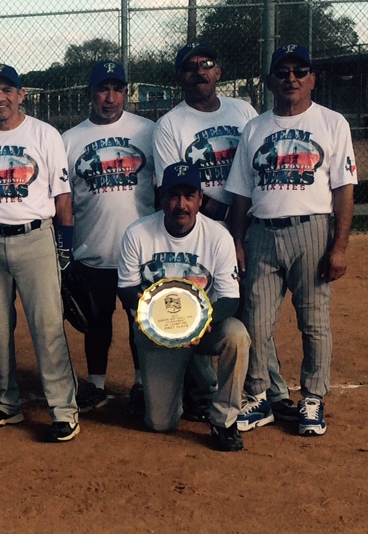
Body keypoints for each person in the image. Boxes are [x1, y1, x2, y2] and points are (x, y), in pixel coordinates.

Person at [154, 41, 294, 423]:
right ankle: (204, 393)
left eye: (207, 64)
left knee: (253, 311)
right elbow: (176, 188)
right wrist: (229, 213)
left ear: (219, 72)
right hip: (198, 231)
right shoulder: (171, 125)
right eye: (190, 67)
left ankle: (269, 389)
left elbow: (254, 169)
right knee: (195, 303)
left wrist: (239, 221)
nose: (199, 71)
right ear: (180, 77)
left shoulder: (242, 111)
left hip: (245, 227)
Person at [225, 44, 357, 437]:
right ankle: (259, 396)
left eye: (300, 71)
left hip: (311, 229)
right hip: (262, 229)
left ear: (313, 78)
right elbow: (241, 193)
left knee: (313, 320)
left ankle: (313, 399)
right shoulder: (255, 127)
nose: (292, 79)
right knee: (255, 322)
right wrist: (238, 240)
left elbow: (344, 190)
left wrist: (339, 246)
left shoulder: (332, 123)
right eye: (283, 73)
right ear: (270, 82)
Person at [0, 63, 80, 442]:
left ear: (21, 94)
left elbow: (62, 196)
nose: (0, 97)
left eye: (7, 89)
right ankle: (6, 403)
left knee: (47, 327)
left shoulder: (44, 133)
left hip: (35, 236)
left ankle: (63, 409)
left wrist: (65, 247)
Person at [118, 162, 249, 452]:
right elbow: (126, 287)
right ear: (161, 197)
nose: (181, 204)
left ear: (200, 199)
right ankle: (189, 385)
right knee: (160, 423)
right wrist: (150, 318)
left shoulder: (217, 236)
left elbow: (230, 297)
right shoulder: (138, 233)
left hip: (205, 329)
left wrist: (200, 326)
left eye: (189, 196)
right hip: (157, 333)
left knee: (237, 335)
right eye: (173, 196)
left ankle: (224, 421)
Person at [61, 61, 155, 414]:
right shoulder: (70, 139)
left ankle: (142, 383)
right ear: (91, 94)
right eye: (103, 89)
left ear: (126, 93)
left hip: (141, 249)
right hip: (92, 247)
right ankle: (96, 383)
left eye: (117, 89)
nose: (110, 97)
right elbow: (65, 200)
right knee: (97, 321)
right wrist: (66, 250)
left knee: (141, 322)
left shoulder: (148, 131)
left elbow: (164, 189)